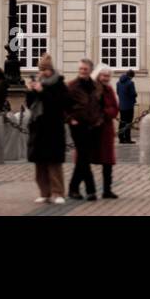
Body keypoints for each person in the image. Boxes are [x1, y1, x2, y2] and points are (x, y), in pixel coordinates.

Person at [26, 54, 70, 204]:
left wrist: (42, 92)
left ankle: (58, 193)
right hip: (38, 129)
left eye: (45, 69)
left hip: (53, 129)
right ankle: (44, 192)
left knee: (54, 163)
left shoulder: (59, 84)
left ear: (51, 70)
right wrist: (31, 91)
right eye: (41, 69)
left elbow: (59, 104)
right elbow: (30, 104)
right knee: (40, 164)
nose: (43, 72)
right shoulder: (39, 83)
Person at [66, 59, 104, 200]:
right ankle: (90, 189)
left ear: (90, 70)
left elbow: (99, 105)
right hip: (78, 125)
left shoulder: (95, 86)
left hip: (92, 126)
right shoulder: (72, 86)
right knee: (83, 156)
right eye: (81, 69)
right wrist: (71, 119)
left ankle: (75, 189)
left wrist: (99, 120)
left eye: (85, 69)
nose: (82, 71)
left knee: (84, 158)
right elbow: (64, 107)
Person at [94, 66, 121, 199]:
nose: (105, 78)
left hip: (106, 129)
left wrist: (106, 113)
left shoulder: (109, 89)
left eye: (107, 76)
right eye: (103, 75)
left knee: (107, 161)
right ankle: (86, 189)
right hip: (93, 128)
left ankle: (107, 189)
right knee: (85, 160)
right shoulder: (93, 89)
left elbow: (115, 107)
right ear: (98, 76)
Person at [116, 69, 137, 144]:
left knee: (122, 122)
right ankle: (128, 139)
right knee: (128, 123)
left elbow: (118, 92)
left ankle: (121, 138)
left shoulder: (118, 83)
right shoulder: (130, 83)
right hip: (129, 105)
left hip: (121, 105)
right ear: (131, 76)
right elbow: (133, 94)